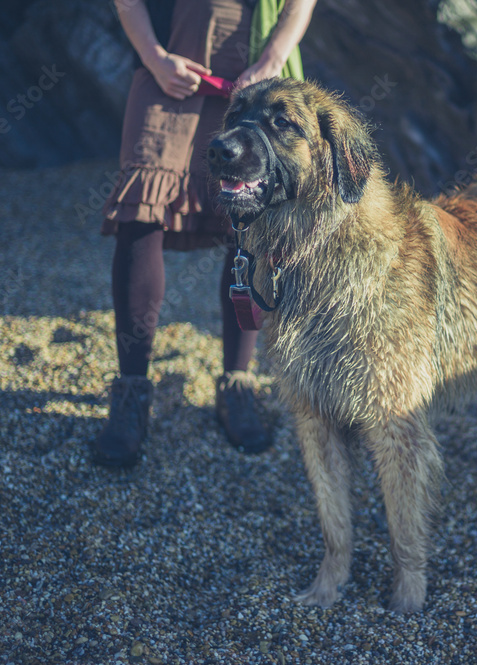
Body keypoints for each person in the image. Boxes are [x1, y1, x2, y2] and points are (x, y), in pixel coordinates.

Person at [93, 0, 317, 467]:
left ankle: (237, 383)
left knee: (248, 231)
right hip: (168, 68)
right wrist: (154, 57)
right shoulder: (158, 62)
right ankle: (131, 393)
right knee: (140, 218)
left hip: (257, 77)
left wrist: (271, 61)